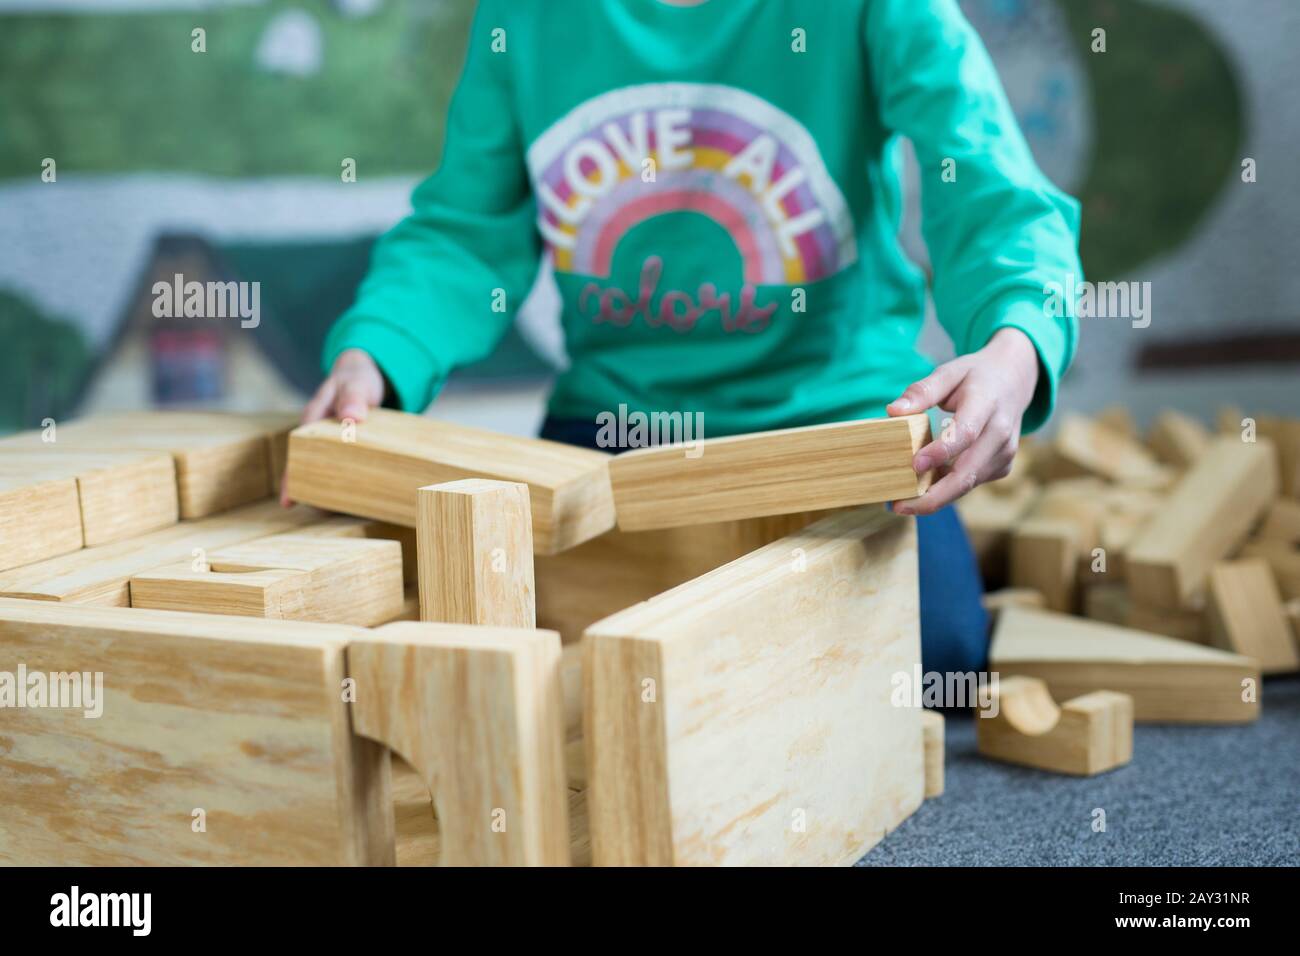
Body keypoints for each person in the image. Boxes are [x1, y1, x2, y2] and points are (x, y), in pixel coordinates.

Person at [294, 0, 1082, 679]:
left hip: (845, 417)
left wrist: (1016, 344)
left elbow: (988, 185)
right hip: (615, 429)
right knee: (543, 653)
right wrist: (378, 353)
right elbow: (464, 234)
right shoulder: (525, 15)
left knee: (932, 659)